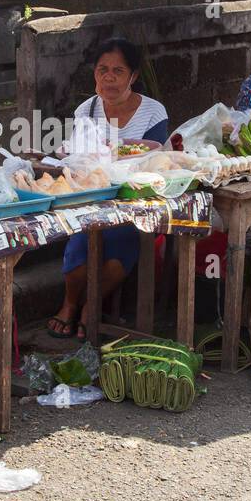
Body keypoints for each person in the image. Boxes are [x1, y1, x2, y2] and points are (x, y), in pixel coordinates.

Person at [47, 39, 168, 339]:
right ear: (94, 74)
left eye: (118, 70)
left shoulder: (153, 112)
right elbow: (78, 155)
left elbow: (153, 158)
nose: (109, 78)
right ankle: (70, 303)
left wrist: (117, 150)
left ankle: (91, 305)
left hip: (132, 200)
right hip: (92, 196)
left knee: (117, 254)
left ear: (133, 76)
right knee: (78, 250)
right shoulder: (86, 110)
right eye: (103, 70)